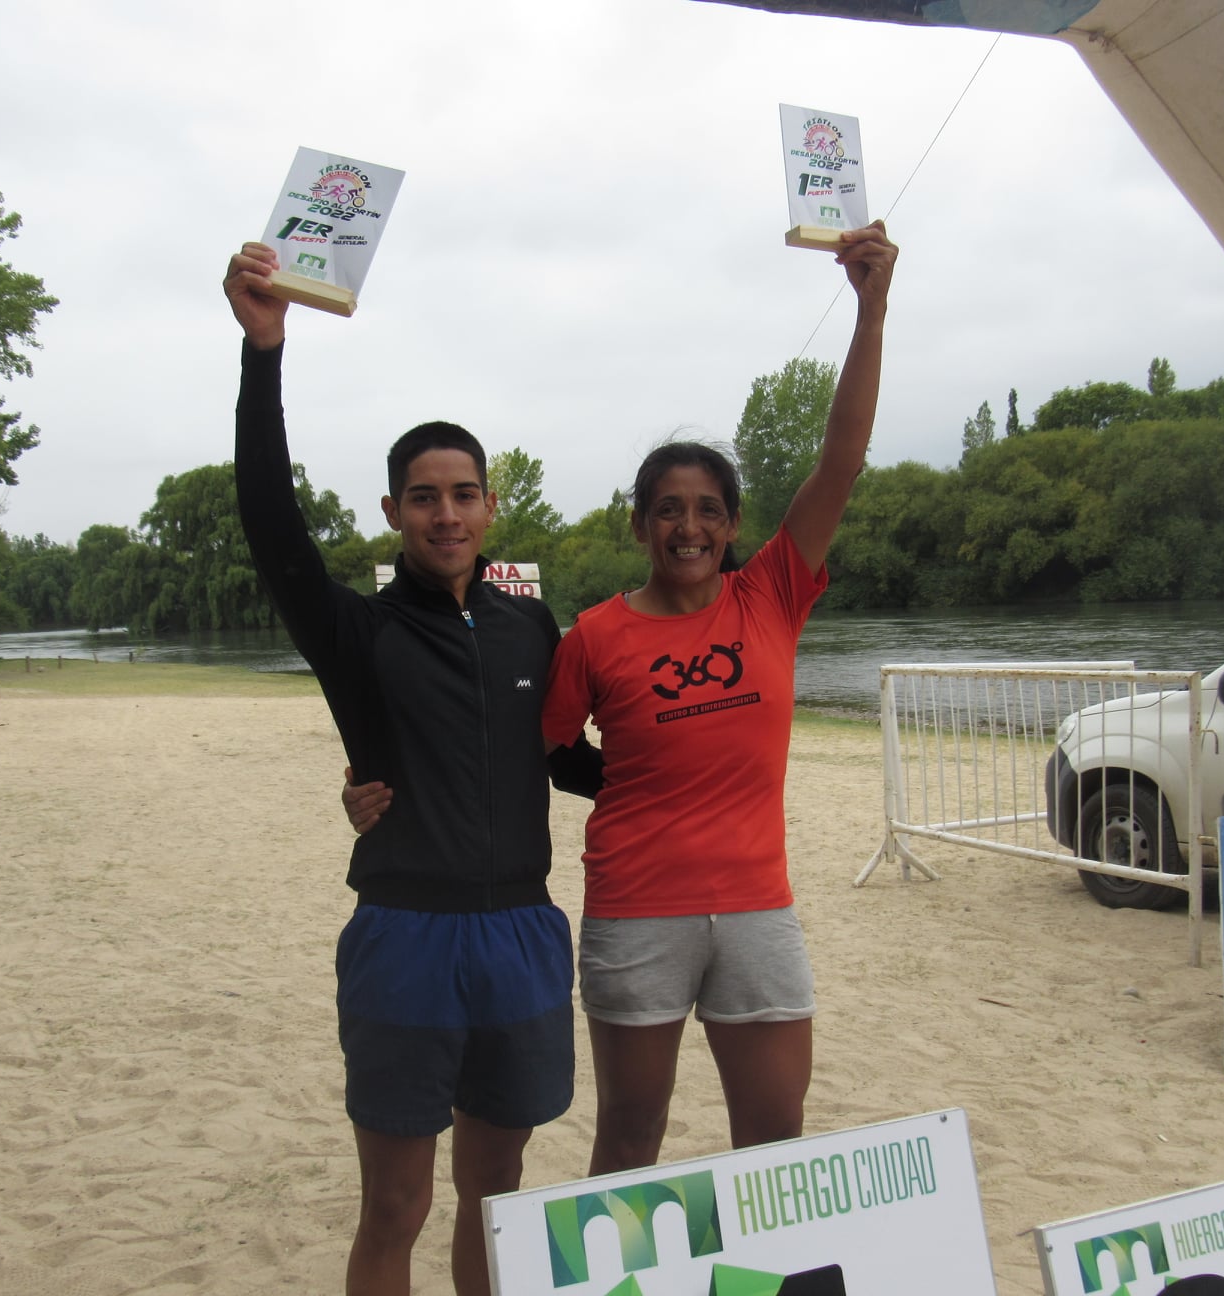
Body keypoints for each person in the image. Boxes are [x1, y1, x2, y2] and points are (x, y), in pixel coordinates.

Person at [222, 240, 600, 1296]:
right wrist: (264, 355)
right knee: (395, 1203)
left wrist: (684, 779)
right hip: (404, 937)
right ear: (392, 512)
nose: (445, 513)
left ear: (489, 508)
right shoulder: (360, 632)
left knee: (500, 1195)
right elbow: (271, 524)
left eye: (464, 494)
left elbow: (568, 758)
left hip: (524, 931)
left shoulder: (533, 627)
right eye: (423, 496)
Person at [540, 223, 898, 1175]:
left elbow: (843, 456)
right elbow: (547, 748)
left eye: (707, 510)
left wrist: (871, 308)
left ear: (734, 526)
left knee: (775, 1146)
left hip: (757, 910)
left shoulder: (771, 594)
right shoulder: (594, 636)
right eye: (668, 509)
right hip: (635, 908)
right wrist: (624, 787)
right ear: (640, 524)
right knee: (629, 1140)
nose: (688, 526)